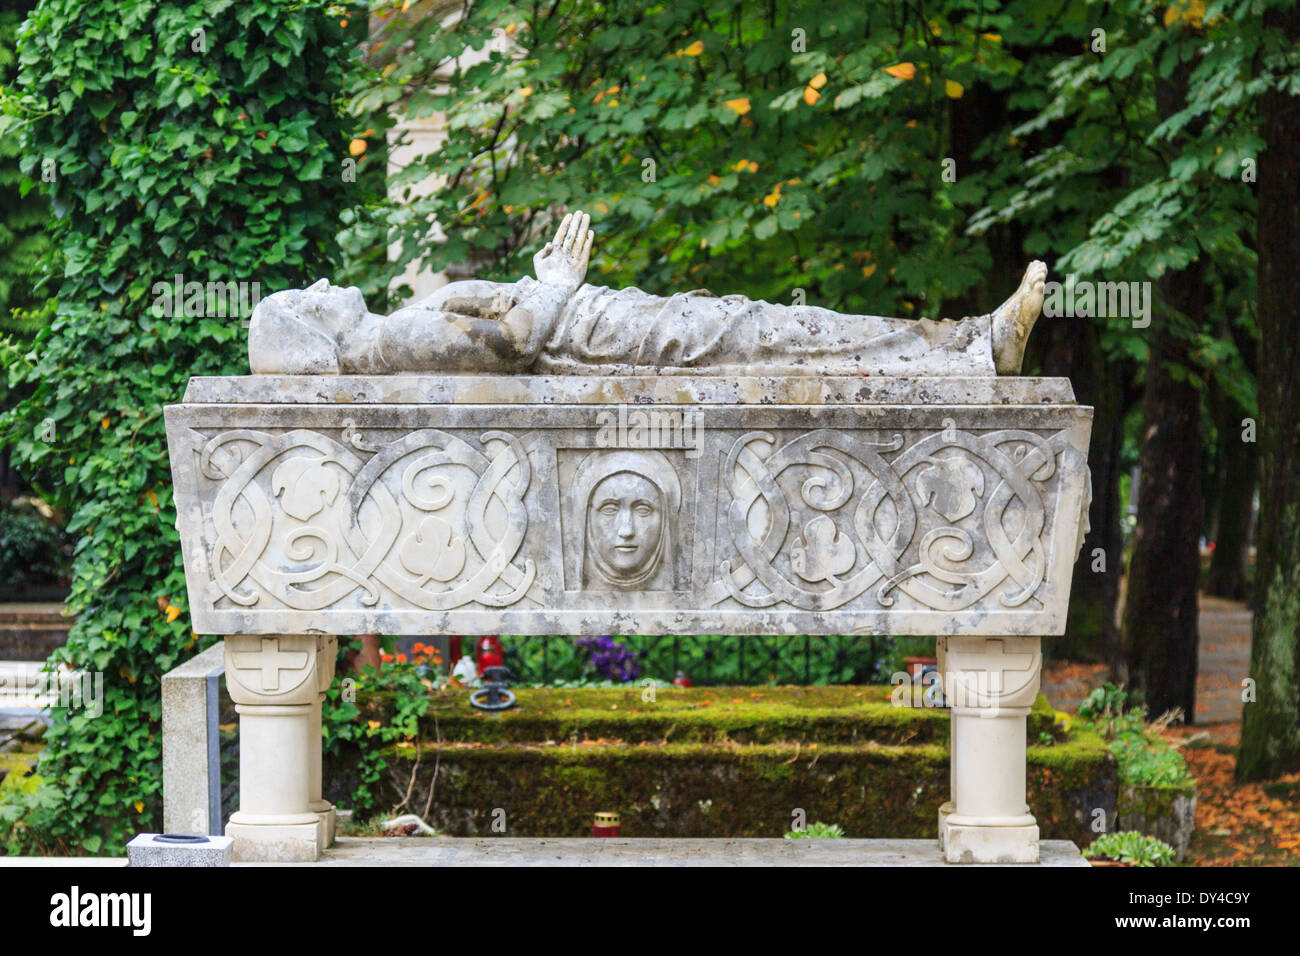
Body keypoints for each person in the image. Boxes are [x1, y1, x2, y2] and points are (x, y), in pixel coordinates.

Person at [249, 211, 1048, 378]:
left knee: (778, 331)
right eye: (304, 297)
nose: (318, 285)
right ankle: (973, 348)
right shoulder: (386, 342)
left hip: (601, 325)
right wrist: (555, 286)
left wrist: (535, 286)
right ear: (311, 335)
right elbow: (516, 345)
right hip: (600, 337)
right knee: (774, 334)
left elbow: (506, 325)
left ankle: (970, 345)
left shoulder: (391, 332)